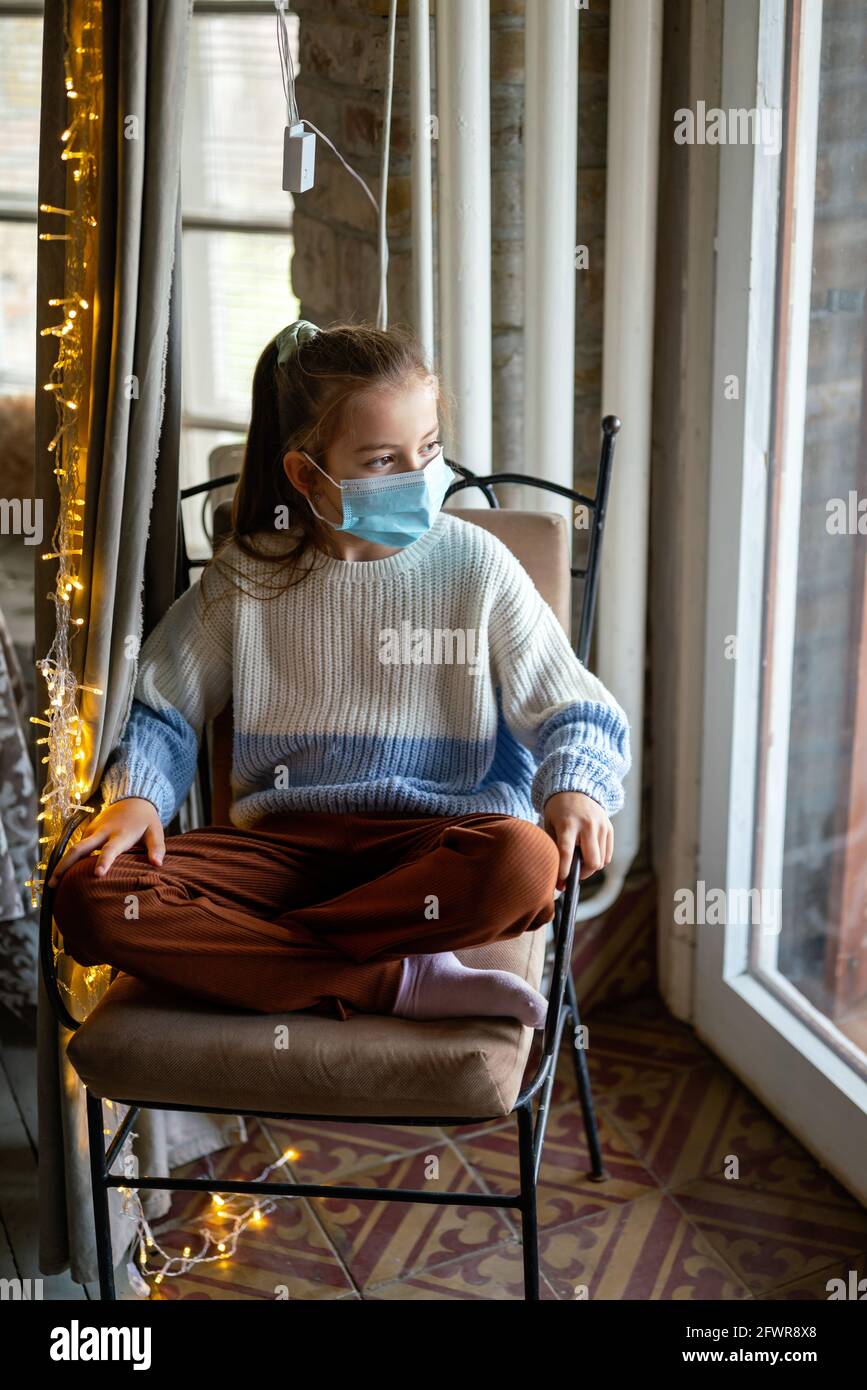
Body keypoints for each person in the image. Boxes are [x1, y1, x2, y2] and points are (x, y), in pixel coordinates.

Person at [48, 319, 631, 1027]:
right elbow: (163, 706)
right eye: (384, 460)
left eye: (429, 450)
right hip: (285, 851)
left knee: (523, 865)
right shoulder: (247, 577)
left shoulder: (474, 565)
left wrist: (573, 785)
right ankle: (390, 978)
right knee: (90, 897)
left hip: (438, 849)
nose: (418, 477)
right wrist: (138, 795)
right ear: (305, 473)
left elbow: (574, 707)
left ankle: (277, 960)